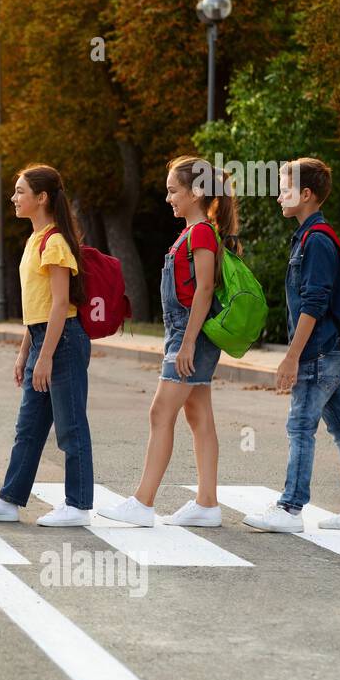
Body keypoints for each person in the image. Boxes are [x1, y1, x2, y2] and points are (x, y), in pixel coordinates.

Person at [245, 157, 340, 532]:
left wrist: (291, 357)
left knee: (300, 427)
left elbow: (314, 304)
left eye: (284, 188)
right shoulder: (310, 236)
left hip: (316, 353)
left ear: (306, 194)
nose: (278, 196)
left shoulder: (316, 241)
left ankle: (290, 508)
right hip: (327, 352)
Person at [101, 156, 235, 528]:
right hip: (186, 333)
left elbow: (205, 289)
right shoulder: (192, 233)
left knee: (160, 412)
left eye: (173, 191)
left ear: (195, 192)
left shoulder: (202, 233)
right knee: (198, 415)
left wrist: (188, 342)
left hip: (189, 334)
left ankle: (143, 502)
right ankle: (207, 504)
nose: (168, 198)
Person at [0, 164, 94, 526]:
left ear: (42, 198)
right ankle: (9, 500)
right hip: (43, 339)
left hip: (62, 340)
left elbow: (59, 304)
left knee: (70, 427)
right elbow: (35, 308)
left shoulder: (55, 242)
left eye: (20, 191)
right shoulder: (34, 240)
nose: (14, 198)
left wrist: (46, 356)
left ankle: (78, 506)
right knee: (29, 428)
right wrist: (26, 352)